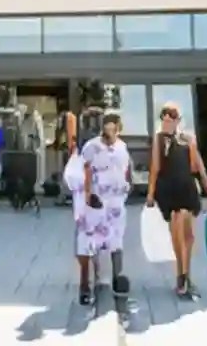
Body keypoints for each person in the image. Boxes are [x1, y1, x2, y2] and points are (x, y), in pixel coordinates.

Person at [146, 103, 207, 297]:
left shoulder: (188, 139)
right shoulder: (159, 140)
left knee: (188, 236)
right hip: (168, 191)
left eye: (171, 120)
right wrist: (150, 194)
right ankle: (182, 275)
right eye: (164, 120)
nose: (167, 123)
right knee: (176, 235)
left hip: (186, 189)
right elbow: (155, 167)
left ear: (178, 121)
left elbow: (199, 167)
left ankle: (185, 275)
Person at [73, 112, 132, 306]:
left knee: (116, 240)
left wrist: (128, 185)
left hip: (116, 202)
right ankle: (85, 285)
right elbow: (86, 170)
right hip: (96, 201)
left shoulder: (122, 147)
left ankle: (118, 278)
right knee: (88, 242)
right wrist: (88, 196)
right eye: (106, 124)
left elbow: (126, 169)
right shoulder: (92, 146)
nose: (109, 128)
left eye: (113, 124)